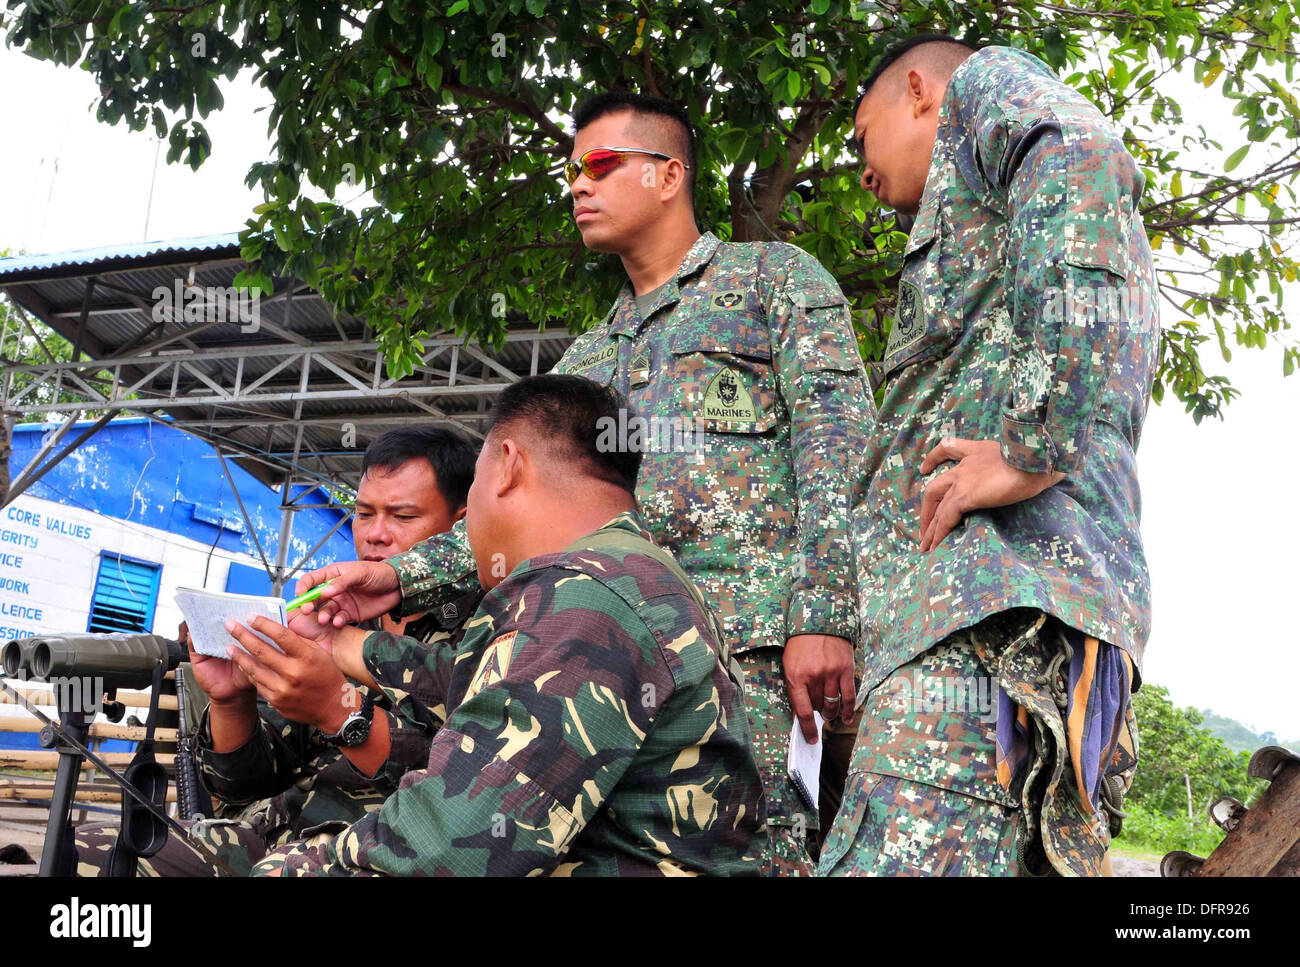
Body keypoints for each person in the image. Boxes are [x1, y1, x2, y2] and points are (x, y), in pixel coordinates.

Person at [291, 92, 875, 875]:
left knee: (747, 857)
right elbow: (511, 516)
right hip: (600, 665)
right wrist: (395, 575)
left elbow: (844, 450)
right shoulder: (584, 362)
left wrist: (825, 614)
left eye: (600, 166)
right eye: (570, 170)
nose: (577, 185)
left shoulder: (774, 284)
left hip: (753, 660)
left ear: (670, 176)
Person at [819, 35, 1157, 877]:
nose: (860, 170)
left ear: (918, 89)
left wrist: (1029, 446)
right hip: (1007, 624)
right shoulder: (982, 207)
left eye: (863, 137)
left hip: (991, 619)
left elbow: (1086, 161)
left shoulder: (982, 87)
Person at [241, 375, 765, 876]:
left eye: (475, 484)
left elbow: (450, 845)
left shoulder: (585, 592)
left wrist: (286, 866)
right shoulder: (630, 576)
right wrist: (341, 644)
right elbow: (476, 679)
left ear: (508, 466)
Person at [74, 427, 477, 876]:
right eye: (364, 513)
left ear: (461, 528)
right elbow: (242, 787)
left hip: (380, 851)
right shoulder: (327, 617)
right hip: (275, 835)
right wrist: (230, 700)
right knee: (94, 853)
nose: (376, 534)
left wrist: (339, 711)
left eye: (402, 517)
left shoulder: (487, 629)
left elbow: (461, 792)